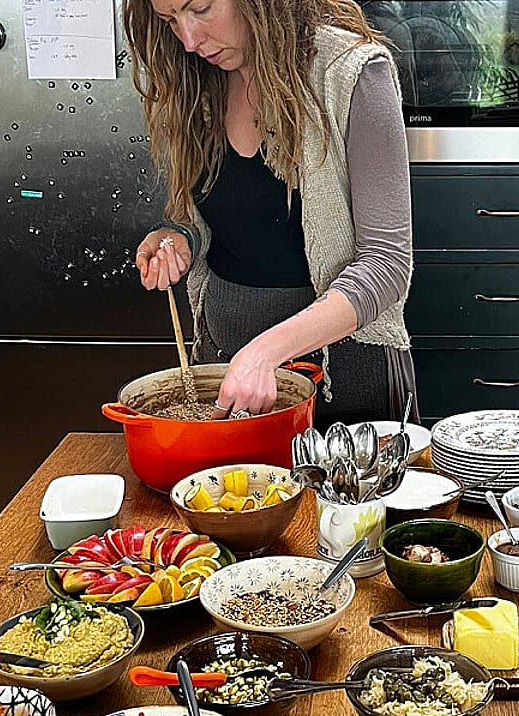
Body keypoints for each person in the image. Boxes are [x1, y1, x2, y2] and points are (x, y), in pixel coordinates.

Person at [123, 0, 417, 428]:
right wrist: (179, 238)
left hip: (346, 386)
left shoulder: (350, 73)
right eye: (170, 20)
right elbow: (220, 216)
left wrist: (266, 351)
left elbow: (387, 264)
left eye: (200, 9)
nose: (188, 40)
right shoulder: (198, 82)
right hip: (226, 371)